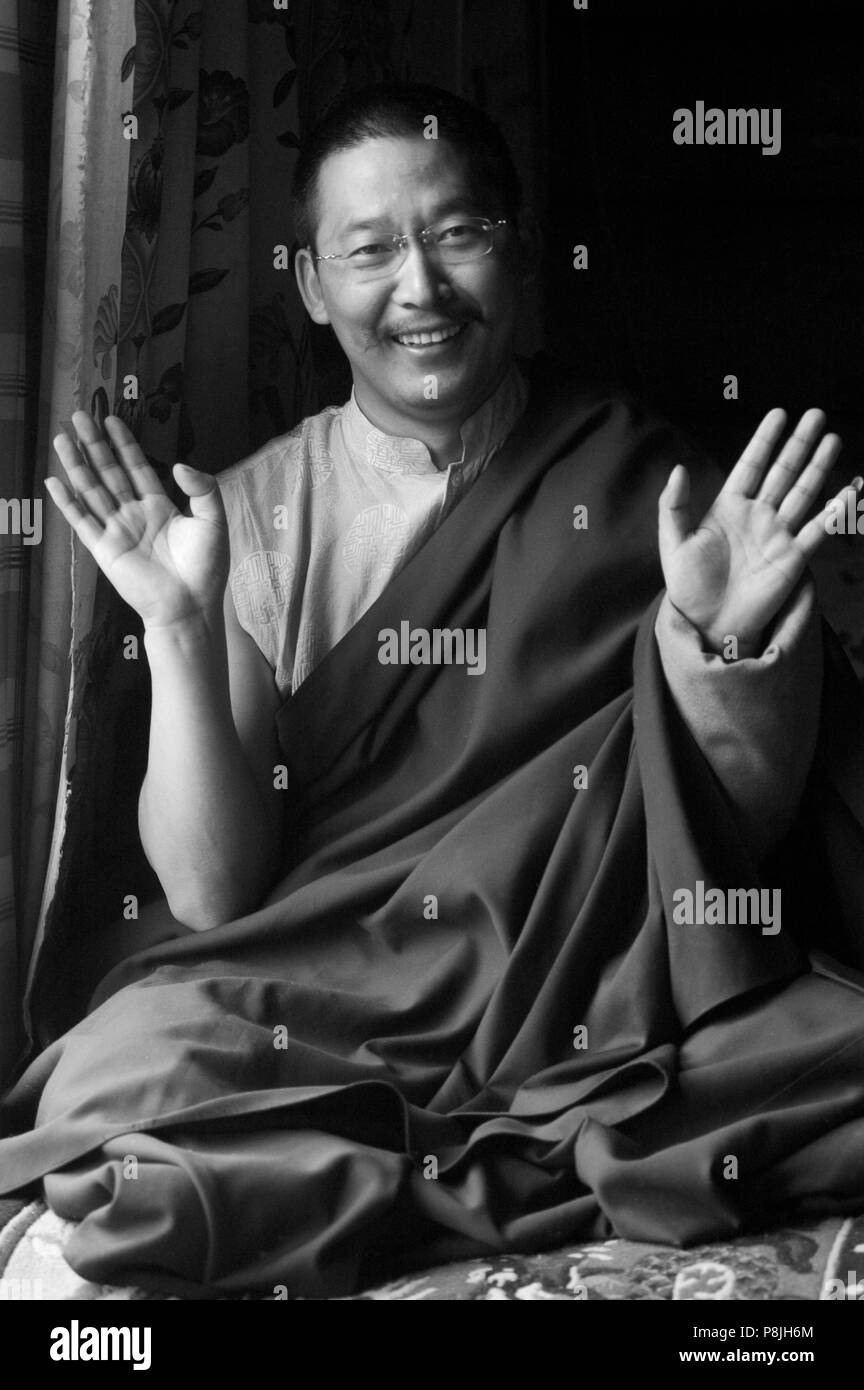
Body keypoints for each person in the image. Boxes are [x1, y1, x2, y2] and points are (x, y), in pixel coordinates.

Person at [1, 82, 863, 1299]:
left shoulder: (642, 485)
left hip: (585, 982)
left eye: (457, 234)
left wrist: (714, 644)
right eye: (371, 250)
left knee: (825, 1056)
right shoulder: (248, 513)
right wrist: (182, 622)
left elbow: (739, 831)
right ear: (310, 284)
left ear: (513, 250)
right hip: (324, 987)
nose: (420, 288)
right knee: (120, 1067)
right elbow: (212, 889)